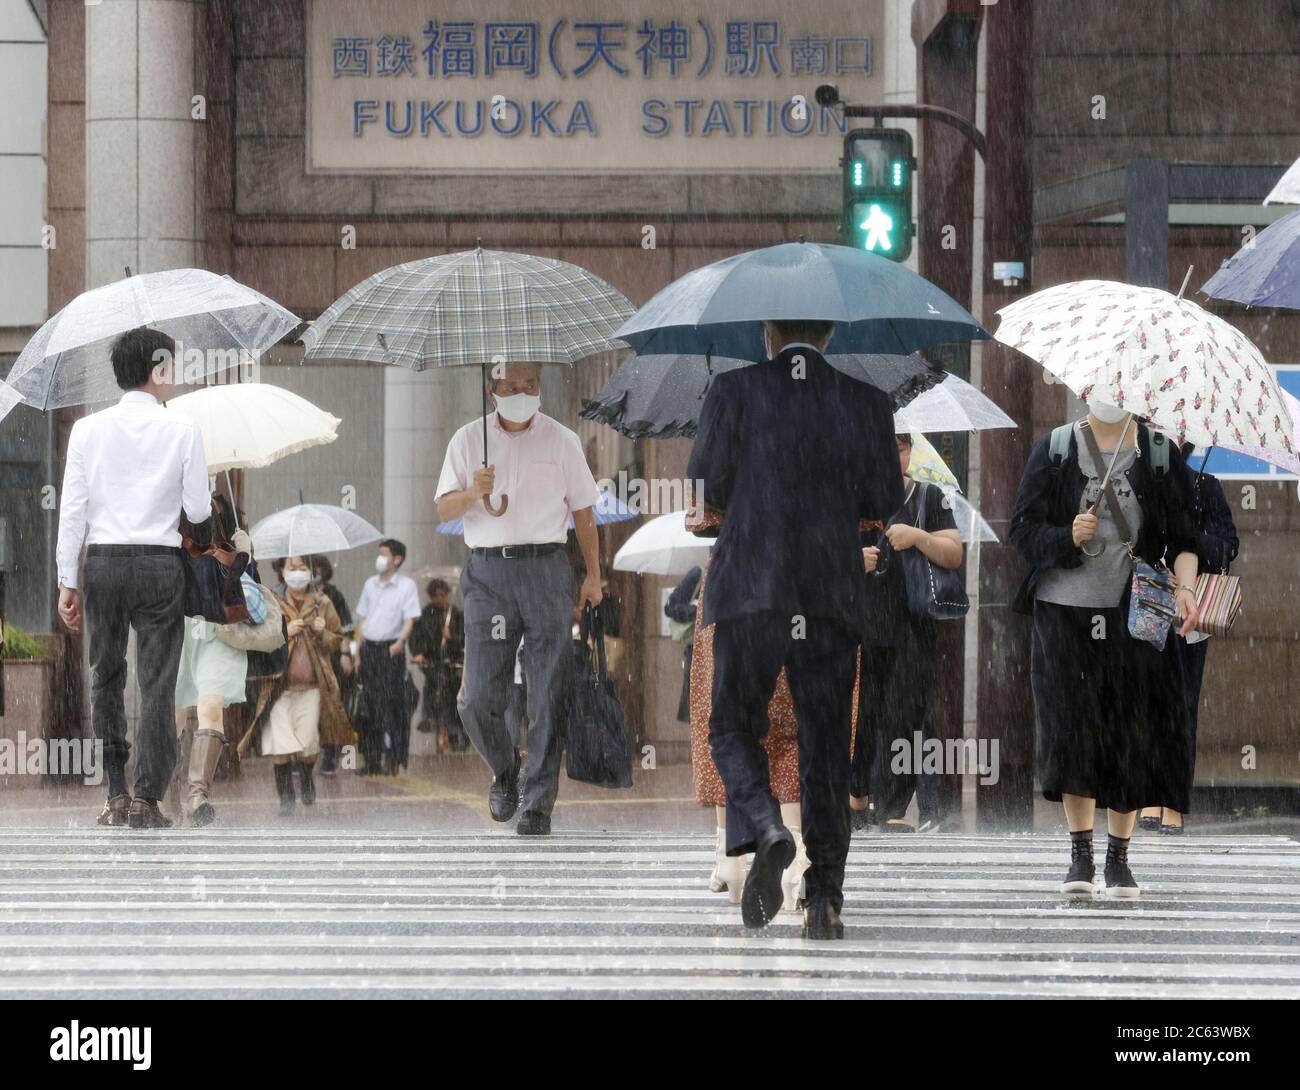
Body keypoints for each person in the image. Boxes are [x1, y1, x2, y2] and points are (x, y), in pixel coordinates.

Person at [687, 319, 902, 939]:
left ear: (767, 331)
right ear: (829, 332)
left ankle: (767, 825)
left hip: (751, 592)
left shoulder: (732, 391)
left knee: (731, 724)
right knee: (827, 746)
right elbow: (884, 499)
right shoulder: (866, 403)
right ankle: (825, 896)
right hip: (829, 593)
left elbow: (707, 486)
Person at [1010, 397, 1200, 900]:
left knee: (1128, 730)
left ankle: (1119, 857)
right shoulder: (1054, 449)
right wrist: (1065, 534)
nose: (1110, 393)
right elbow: (1022, 532)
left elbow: (1185, 539)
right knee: (1071, 728)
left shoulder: (1160, 455)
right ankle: (1080, 853)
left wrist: (1185, 589)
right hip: (1063, 612)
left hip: (1132, 612)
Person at [436, 361, 602, 837]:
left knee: (549, 689)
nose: (522, 393)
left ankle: (538, 800)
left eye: (530, 385)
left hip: (547, 570)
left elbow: (584, 513)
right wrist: (474, 492)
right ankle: (505, 768)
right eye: (511, 386)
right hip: (489, 574)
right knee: (475, 699)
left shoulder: (562, 440)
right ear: (492, 392)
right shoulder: (467, 440)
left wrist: (593, 576)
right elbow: (444, 506)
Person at [55, 326, 212, 829]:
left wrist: (67, 581)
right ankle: (148, 798)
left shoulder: (87, 429)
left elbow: (72, 512)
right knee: (158, 684)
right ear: (157, 369)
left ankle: (116, 792)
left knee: (105, 677)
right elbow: (198, 511)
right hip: (159, 565)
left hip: (102, 564)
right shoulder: (183, 429)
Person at [853, 434, 964, 833]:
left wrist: (917, 537)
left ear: (910, 452)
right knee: (862, 712)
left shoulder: (928, 496)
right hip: (861, 620)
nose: (891, 453)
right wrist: (854, 560)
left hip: (914, 621)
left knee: (903, 710)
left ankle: (891, 806)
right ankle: (856, 799)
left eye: (899, 446)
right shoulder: (853, 494)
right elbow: (818, 552)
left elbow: (954, 552)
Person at [1138, 443, 1239, 835]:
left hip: (1191, 615)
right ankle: (1147, 794)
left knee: (1182, 706)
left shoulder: (1206, 486)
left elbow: (1229, 544)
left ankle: (1173, 802)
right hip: (1148, 604)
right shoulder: (1140, 485)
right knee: (1146, 703)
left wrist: (1189, 542)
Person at [240, 554, 350, 815]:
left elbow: (337, 639)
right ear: (282, 571)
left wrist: (322, 633)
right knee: (280, 745)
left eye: (302, 567)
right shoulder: (271, 602)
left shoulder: (322, 603)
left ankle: (307, 778)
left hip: (312, 688)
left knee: (308, 745)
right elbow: (258, 637)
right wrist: (284, 632)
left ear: (311, 572)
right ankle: (286, 798)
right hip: (278, 688)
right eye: (292, 567)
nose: (297, 572)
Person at [172, 494, 255, 828]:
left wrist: (246, 554)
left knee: (210, 708)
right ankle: (163, 797)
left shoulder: (234, 545)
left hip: (220, 635)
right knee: (173, 717)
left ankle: (197, 795)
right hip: (178, 632)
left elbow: (249, 592)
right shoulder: (172, 539)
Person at [354, 539, 421, 775]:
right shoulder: (370, 584)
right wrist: (357, 651)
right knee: (369, 706)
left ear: (397, 559)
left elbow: (410, 619)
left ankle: (394, 758)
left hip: (390, 652)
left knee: (392, 706)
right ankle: (371, 759)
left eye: (384, 555)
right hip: (369, 650)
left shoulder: (406, 586)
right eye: (379, 554)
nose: (379, 559)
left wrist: (400, 641)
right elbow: (361, 619)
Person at [410, 578, 467, 752]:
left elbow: (464, 639)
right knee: (432, 685)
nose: (440, 599)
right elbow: (416, 639)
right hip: (432, 661)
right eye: (436, 596)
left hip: (452, 661)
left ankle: (456, 728)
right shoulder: (424, 616)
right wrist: (419, 654)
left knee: (454, 691)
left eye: (443, 595)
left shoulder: (455, 614)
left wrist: (451, 637)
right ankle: (428, 717)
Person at [311, 556, 354, 775]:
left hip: (330, 658)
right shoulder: (301, 594)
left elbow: (345, 628)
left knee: (331, 706)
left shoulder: (333, 595)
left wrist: (346, 654)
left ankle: (331, 755)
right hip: (307, 658)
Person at [665, 566, 702, 724]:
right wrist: (698, 611)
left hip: (729, 660)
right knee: (700, 720)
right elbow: (670, 606)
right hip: (698, 660)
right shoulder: (698, 574)